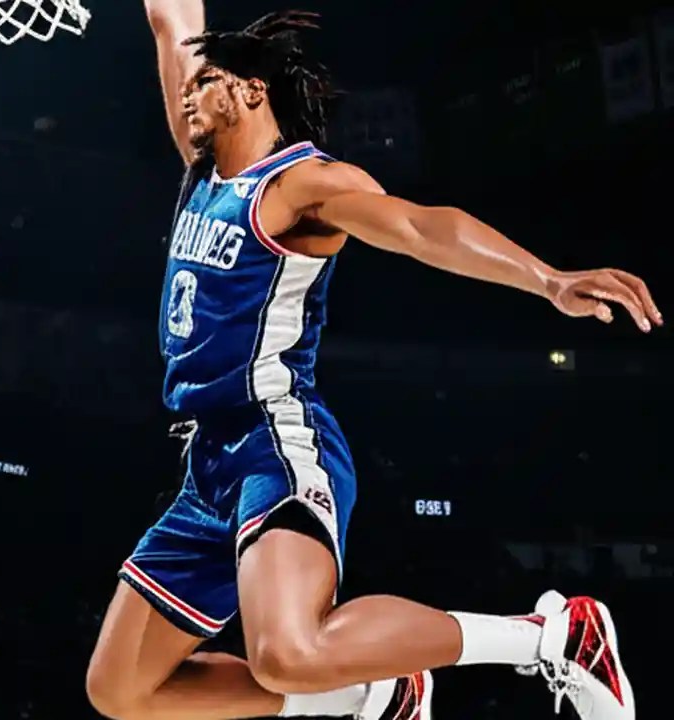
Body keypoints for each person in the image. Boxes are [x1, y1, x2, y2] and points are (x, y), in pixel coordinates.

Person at [85, 5, 659, 720]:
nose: (186, 93)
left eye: (205, 83)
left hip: (276, 442)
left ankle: (551, 637)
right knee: (120, 690)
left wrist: (546, 279)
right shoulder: (202, 172)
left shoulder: (304, 186)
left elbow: (422, 228)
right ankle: (372, 692)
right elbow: (174, 23)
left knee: (285, 651)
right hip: (209, 462)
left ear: (253, 90)